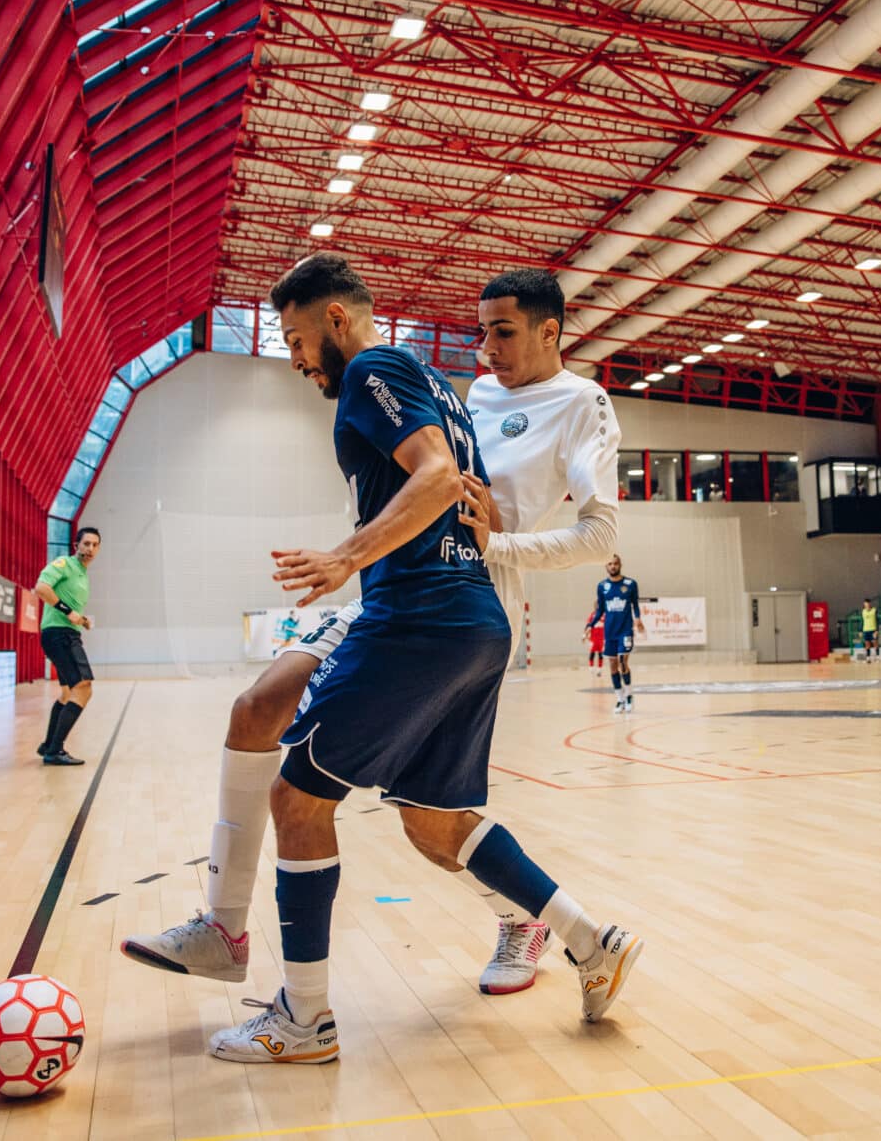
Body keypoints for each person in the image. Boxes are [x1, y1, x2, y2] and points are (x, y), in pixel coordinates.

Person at [121, 263, 627, 1006]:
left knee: (327, 798)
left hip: (454, 598)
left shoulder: (583, 403)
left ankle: (280, 986)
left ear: (551, 332)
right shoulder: (469, 392)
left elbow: (581, 528)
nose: (486, 348)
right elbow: (441, 481)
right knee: (397, 803)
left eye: (503, 332)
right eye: (481, 331)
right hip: (413, 587)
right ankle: (577, 935)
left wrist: (485, 543)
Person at [32, 527, 99, 766]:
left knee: (68, 693)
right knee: (84, 688)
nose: (90, 549)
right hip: (60, 635)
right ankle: (55, 750)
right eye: (86, 543)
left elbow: (71, 610)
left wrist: (82, 620)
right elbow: (41, 588)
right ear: (76, 545)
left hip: (66, 632)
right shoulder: (64, 564)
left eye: (95, 545)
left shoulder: (82, 574)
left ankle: (48, 745)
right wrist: (68, 611)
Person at [594, 554, 645, 712]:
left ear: (620, 565)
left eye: (615, 563)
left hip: (625, 630)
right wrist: (590, 625)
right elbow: (600, 610)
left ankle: (629, 695)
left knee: (623, 662)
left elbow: (635, 605)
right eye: (610, 564)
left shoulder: (630, 584)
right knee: (613, 666)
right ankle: (620, 699)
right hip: (610, 632)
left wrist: (638, 618)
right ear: (606, 566)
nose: (613, 566)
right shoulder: (602, 586)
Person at [585, 608, 605, 678]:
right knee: (592, 653)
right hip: (593, 638)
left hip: (601, 638)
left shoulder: (604, 615)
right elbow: (588, 625)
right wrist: (584, 635)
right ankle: (591, 669)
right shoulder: (592, 615)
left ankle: (599, 670)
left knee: (601, 654)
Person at [859, 598, 880, 662]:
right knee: (867, 644)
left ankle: (878, 657)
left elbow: (877, 620)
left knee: (875, 643)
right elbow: (862, 621)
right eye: (865, 604)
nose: (867, 605)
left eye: (867, 604)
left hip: (873, 629)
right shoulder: (863, 611)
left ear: (870, 604)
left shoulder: (874, 610)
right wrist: (860, 630)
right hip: (866, 630)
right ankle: (868, 658)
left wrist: (877, 630)